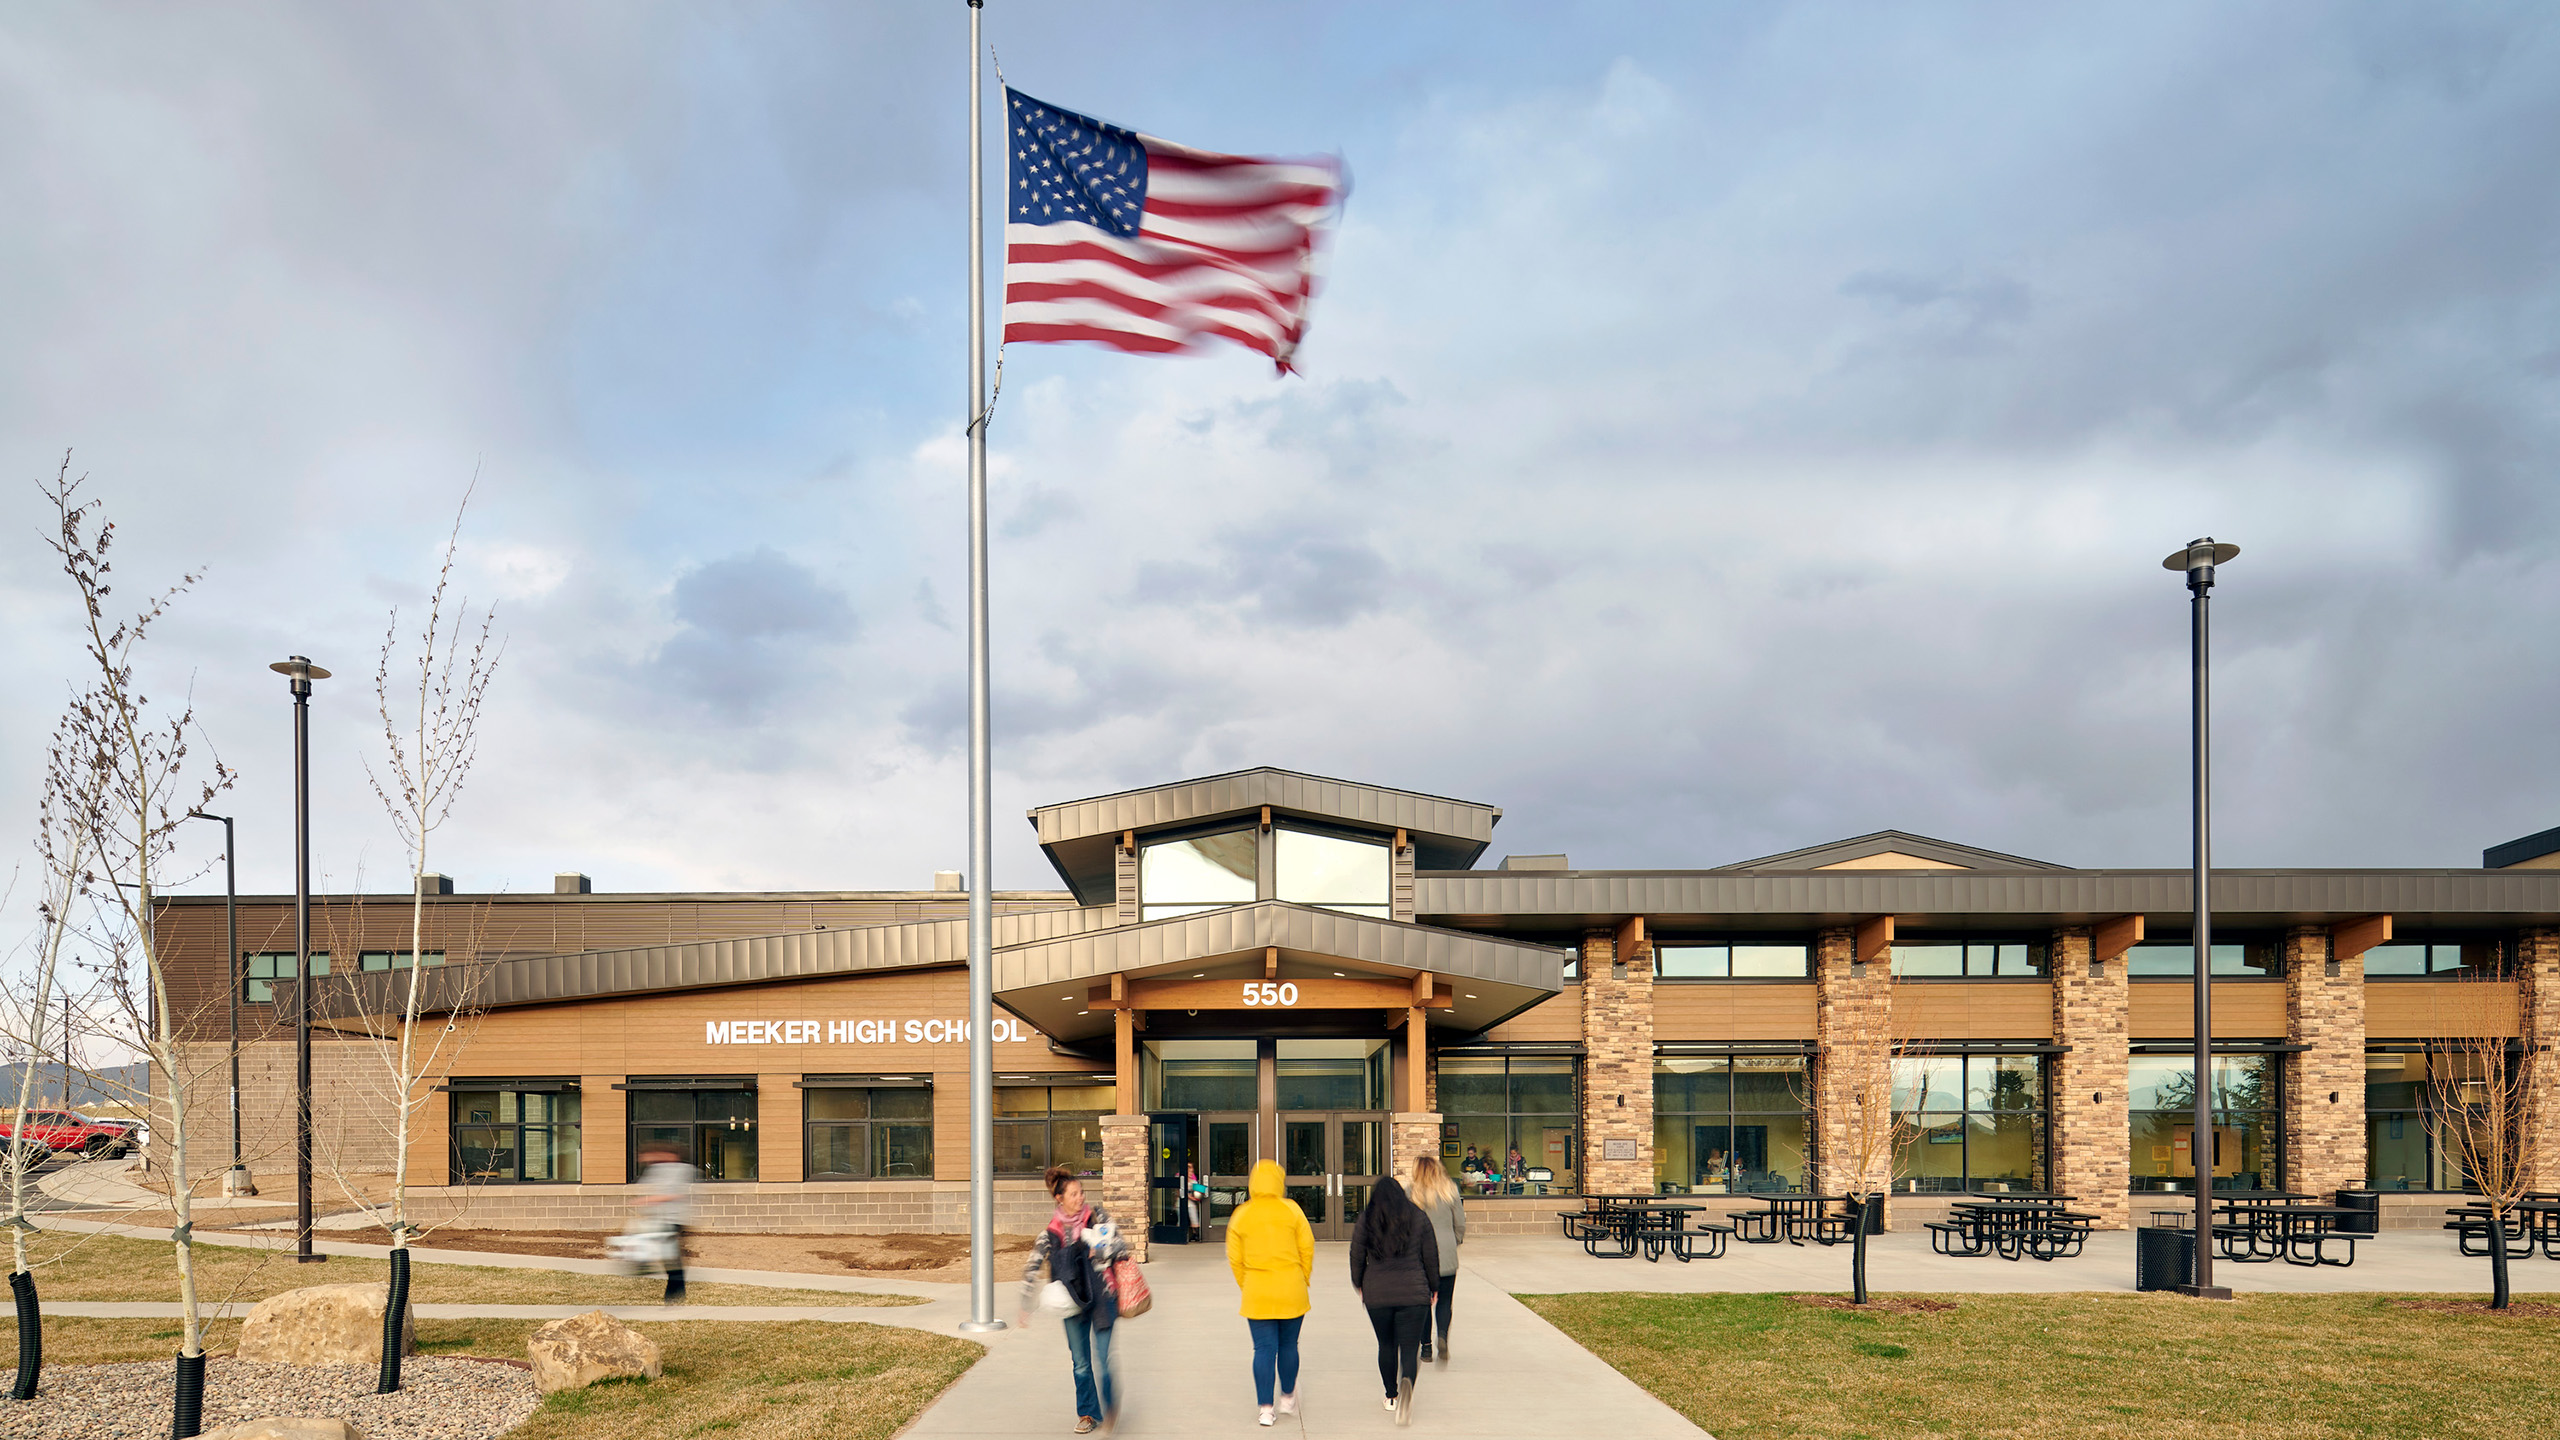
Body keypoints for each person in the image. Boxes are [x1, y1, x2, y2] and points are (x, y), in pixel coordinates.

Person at [1020, 1164, 1127, 1434]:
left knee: (1103, 1357)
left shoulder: (1097, 1215)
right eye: (1074, 1194)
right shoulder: (1052, 1232)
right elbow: (1032, 1265)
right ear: (1060, 1199)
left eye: (1081, 1192)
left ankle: (1111, 1406)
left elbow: (1121, 1245)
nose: (1081, 1198)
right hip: (1072, 1301)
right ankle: (1089, 1413)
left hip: (1102, 1295)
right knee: (1080, 1362)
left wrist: (1101, 1251)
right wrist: (1025, 1304)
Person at [1225, 1158, 1315, 1427]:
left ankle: (1266, 1408)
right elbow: (1307, 1249)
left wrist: (1247, 1283)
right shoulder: (1292, 1210)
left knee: (1263, 1349)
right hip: (1292, 1289)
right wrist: (1303, 1277)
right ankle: (1287, 1396)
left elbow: (1234, 1258)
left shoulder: (1242, 1214)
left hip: (1257, 1291)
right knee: (1289, 1345)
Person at [1349, 1175, 1438, 1427]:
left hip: (1378, 1294)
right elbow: (1431, 1255)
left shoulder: (1366, 1219)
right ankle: (1407, 1383)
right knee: (1410, 1348)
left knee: (1386, 1344)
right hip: (1414, 1293)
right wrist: (1434, 1286)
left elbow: (1356, 1255)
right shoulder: (1418, 1216)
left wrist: (1359, 1284)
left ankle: (1391, 1395)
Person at [1408, 1156, 1464, 1366]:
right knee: (1445, 1301)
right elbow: (1460, 1222)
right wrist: (1455, 1240)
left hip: (1419, 1256)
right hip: (1446, 1253)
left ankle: (1426, 1347)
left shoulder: (1410, 1193)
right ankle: (1442, 1335)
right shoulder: (1450, 1191)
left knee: (1422, 1303)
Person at [632, 1146, 697, 1304]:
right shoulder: (656, 1170)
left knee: (671, 1259)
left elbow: (675, 1194)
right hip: (660, 1220)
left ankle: (674, 1296)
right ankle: (674, 1295)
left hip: (673, 1220)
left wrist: (648, 1200)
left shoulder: (681, 1170)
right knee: (669, 1259)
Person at [1186, 1164, 1208, 1243]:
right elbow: (1180, 1192)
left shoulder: (1194, 1182)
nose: (1191, 1173)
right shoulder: (1182, 1180)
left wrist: (1198, 1196)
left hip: (1191, 1203)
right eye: (1189, 1172)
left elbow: (1197, 1193)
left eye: (1192, 1172)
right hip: (1183, 1202)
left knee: (1194, 1216)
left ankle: (1195, 1234)